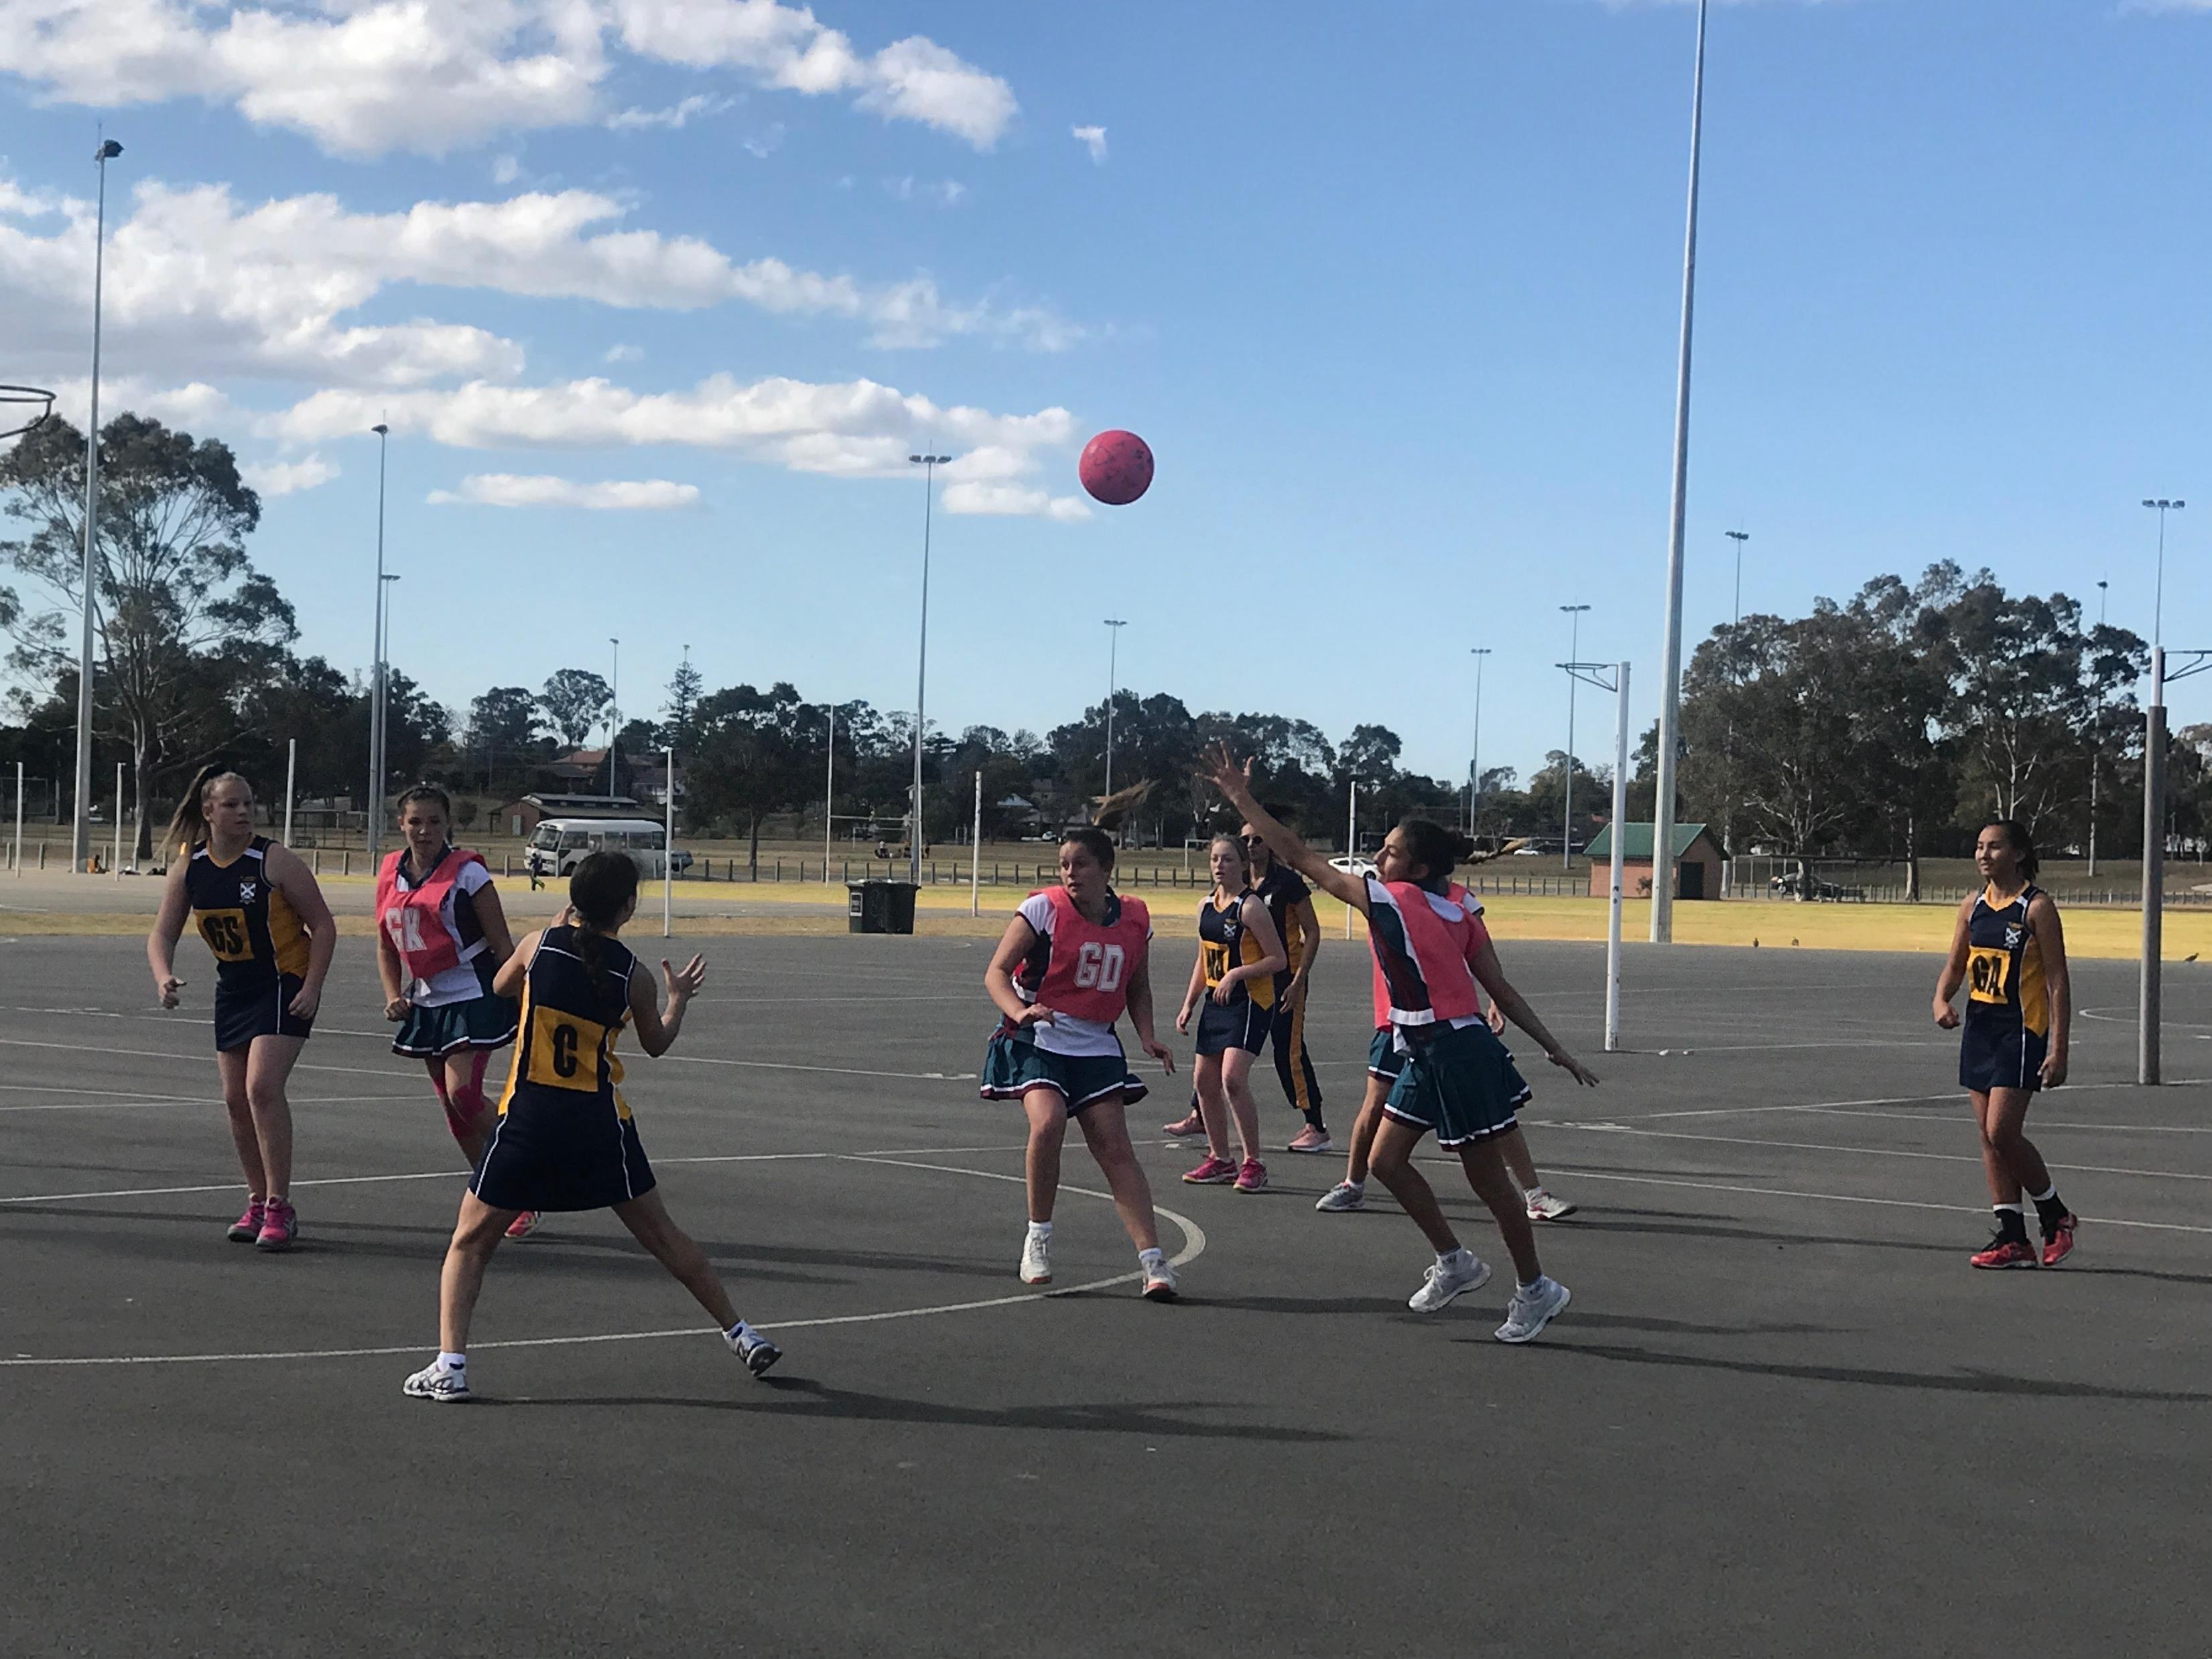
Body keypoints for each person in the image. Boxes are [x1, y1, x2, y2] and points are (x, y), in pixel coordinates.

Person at [1201, 743, 1597, 1343]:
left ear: (1412, 869)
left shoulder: (1392, 899)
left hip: (1456, 1052)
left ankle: (1536, 1289)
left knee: (1489, 1184)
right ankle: (1457, 1262)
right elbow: (1503, 992)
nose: (1377, 856)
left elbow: (1300, 855)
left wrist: (1240, 799)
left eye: (1389, 850)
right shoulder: (1456, 910)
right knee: (1385, 1161)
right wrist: (1552, 1046)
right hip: (1422, 1047)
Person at [402, 852, 779, 1401]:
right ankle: (742, 1334)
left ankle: (450, 1366)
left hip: (530, 1120)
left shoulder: (537, 945)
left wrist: (552, 931)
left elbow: (504, 986)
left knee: (470, 1243)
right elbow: (656, 1044)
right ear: (627, 907)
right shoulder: (634, 975)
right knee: (662, 1236)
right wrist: (678, 1002)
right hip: (598, 1124)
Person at [981, 828, 1181, 1300]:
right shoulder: (1042, 910)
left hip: (1094, 1042)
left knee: (1114, 1148)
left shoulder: (1133, 917)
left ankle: (1154, 1262)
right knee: (1047, 1122)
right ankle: (1038, 1239)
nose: (1070, 873)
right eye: (1064, 864)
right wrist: (1019, 1011)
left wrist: (1147, 1035)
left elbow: (1138, 984)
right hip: (1038, 1034)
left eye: (1081, 863)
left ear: (1107, 869)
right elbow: (994, 972)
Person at [146, 765, 337, 1251]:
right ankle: (255, 1200)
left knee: (262, 1088)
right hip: (234, 989)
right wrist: (163, 974)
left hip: (282, 983)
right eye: (231, 804)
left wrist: (312, 987)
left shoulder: (274, 861)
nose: (243, 812)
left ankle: (280, 1206)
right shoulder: (192, 867)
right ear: (208, 811)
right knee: (234, 1100)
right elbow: (162, 932)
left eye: (249, 803)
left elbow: (323, 925)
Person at [1317, 881, 1576, 1223]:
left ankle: (1534, 1195)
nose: (1382, 857)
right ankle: (1354, 1183)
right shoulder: (1384, 895)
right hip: (1397, 1022)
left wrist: (1497, 1000)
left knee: (1497, 1114)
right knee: (1376, 1105)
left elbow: (1486, 958)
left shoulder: (1459, 900)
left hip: (1448, 1028)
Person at [375, 784, 534, 1237]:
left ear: (448, 825)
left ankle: (524, 1171)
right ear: (401, 824)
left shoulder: (468, 875)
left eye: (434, 822)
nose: (424, 831)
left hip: (475, 992)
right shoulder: (391, 872)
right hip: (427, 999)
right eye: (415, 822)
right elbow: (386, 942)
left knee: (464, 1094)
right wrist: (393, 994)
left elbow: (503, 944)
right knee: (452, 1107)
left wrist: (522, 998)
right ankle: (493, 1191)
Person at [1933, 818, 2077, 1268]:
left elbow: (2056, 980)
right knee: (1987, 1138)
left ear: (2016, 854)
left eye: (1993, 847)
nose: (1983, 854)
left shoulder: (2035, 908)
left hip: (2020, 1030)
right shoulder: (1971, 906)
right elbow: (1956, 965)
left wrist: (2058, 1049)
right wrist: (1940, 999)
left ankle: (2056, 1215)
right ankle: (2012, 1237)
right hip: (1980, 1028)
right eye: (1978, 846)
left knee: (2002, 1131)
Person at [1164, 821, 1333, 1153]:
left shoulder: (1285, 883)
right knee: (1212, 1064)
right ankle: (1201, 1115)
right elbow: (1208, 955)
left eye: (1259, 839)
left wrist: (1300, 980)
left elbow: (1310, 932)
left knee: (1288, 1050)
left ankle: (1315, 1124)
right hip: (1237, 982)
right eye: (1246, 840)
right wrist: (1190, 1002)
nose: (1253, 844)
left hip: (1281, 979)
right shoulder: (1222, 895)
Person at [1173, 834, 1288, 1194]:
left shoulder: (1250, 907)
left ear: (1242, 864)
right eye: (1214, 860)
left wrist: (1238, 973)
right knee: (1204, 1083)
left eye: (1227, 860)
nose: (1219, 866)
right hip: (1216, 1002)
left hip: (1250, 1001)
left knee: (1233, 1080)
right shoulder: (1205, 906)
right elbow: (1203, 958)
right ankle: (1221, 1159)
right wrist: (1189, 1003)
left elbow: (1278, 959)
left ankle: (1254, 1162)